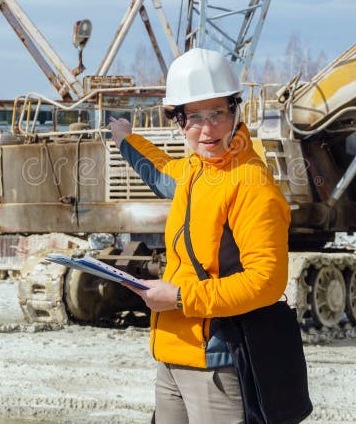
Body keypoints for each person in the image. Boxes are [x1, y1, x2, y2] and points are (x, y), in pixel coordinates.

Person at [108, 48, 291, 423]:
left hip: (217, 363)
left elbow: (266, 283)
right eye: (194, 118)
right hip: (173, 355)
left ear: (235, 111)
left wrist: (178, 298)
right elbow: (161, 174)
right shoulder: (195, 171)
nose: (206, 130)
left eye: (217, 114)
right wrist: (125, 140)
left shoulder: (250, 183)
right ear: (179, 122)